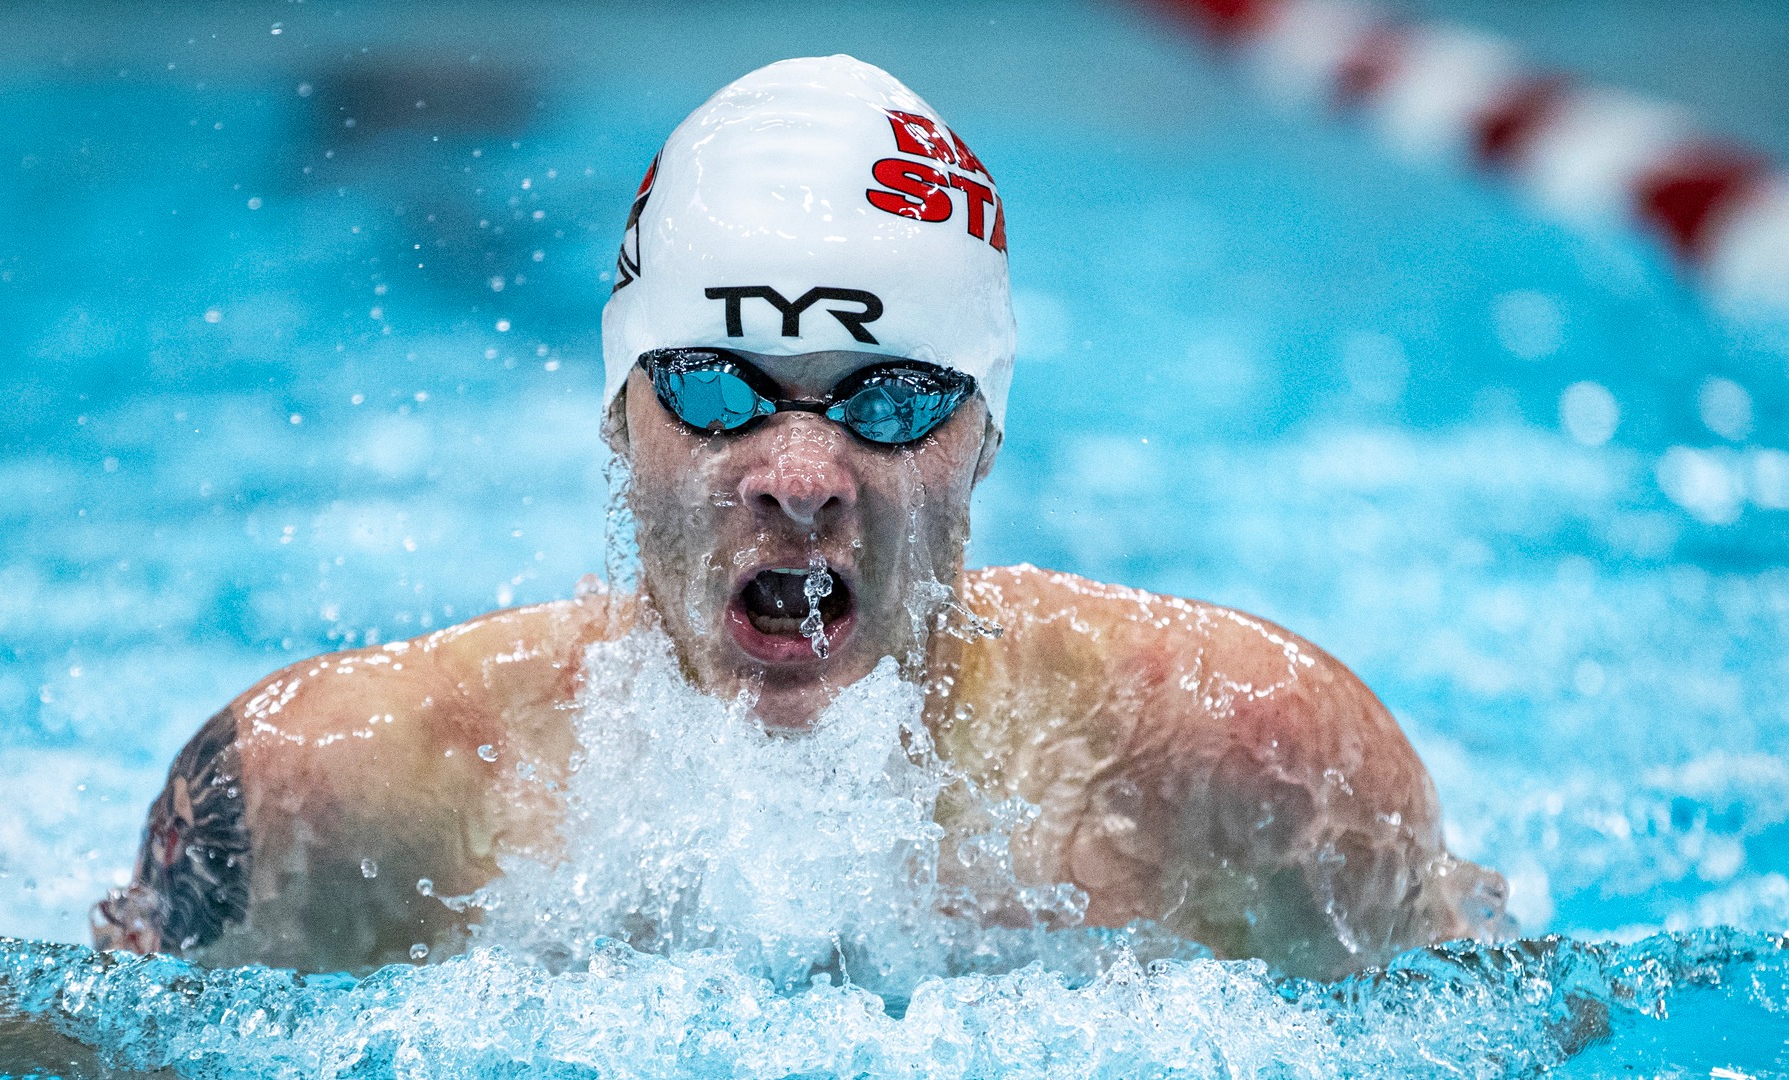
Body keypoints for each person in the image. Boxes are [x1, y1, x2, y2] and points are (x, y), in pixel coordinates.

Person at [92, 55, 1511, 980]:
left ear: (985, 435)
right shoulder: (327, 795)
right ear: (616, 415)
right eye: (715, 390)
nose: (801, 470)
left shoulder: (1249, 761)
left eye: (889, 400)